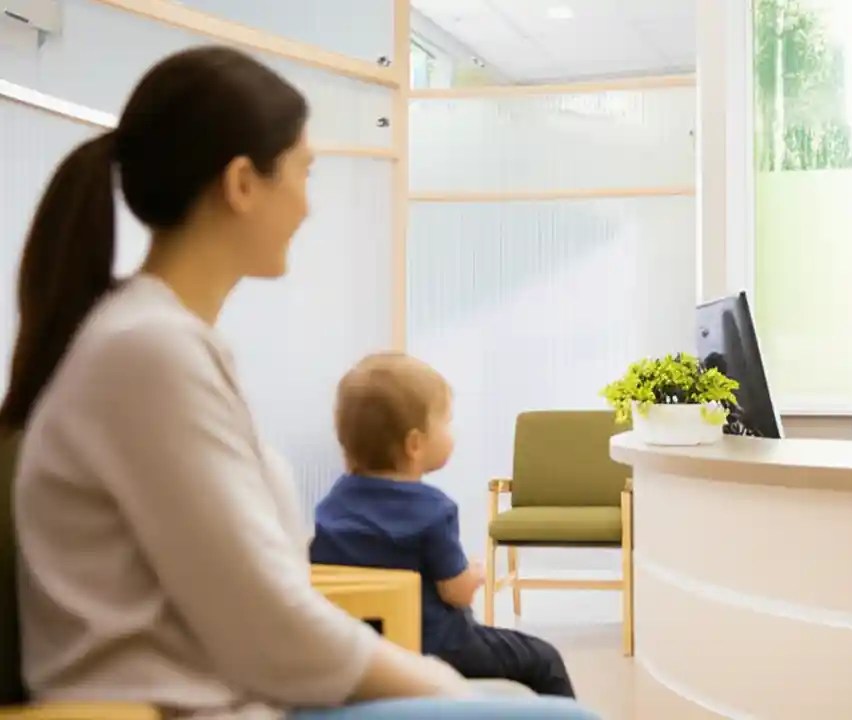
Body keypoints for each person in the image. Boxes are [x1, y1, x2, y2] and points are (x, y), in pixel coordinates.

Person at [0, 45, 597, 720]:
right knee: (561, 717)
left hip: (237, 696)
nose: (309, 207)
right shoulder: (148, 353)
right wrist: (446, 689)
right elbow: (266, 627)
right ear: (242, 184)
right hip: (188, 707)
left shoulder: (158, 343)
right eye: (304, 173)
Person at [310, 353, 576, 699]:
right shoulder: (434, 510)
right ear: (415, 444)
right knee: (544, 660)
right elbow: (456, 592)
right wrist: (477, 573)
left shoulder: (330, 507)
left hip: (362, 651)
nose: (452, 432)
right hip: (439, 647)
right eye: (446, 422)